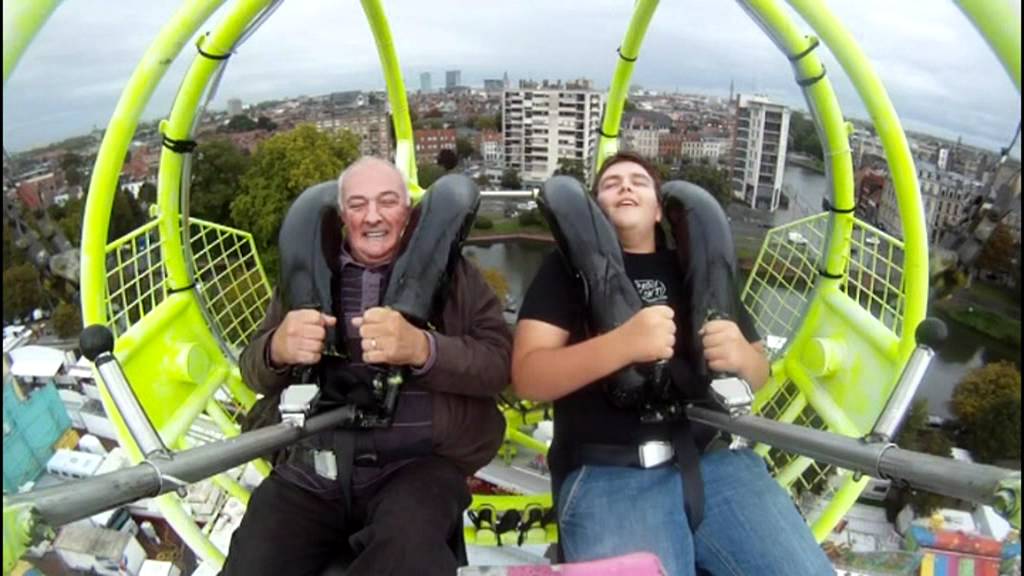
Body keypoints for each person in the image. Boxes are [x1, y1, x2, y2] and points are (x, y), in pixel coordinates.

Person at [512, 152, 833, 575]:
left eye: (639, 181)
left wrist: (741, 354)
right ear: (593, 208)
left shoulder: (696, 271)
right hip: (612, 476)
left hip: (717, 468)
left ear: (660, 208)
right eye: (611, 183)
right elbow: (528, 377)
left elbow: (758, 374)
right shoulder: (565, 272)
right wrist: (622, 345)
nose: (625, 186)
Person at [222, 157, 510, 576]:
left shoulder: (456, 280)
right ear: (342, 217)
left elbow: (499, 365)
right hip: (314, 467)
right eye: (358, 205)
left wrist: (424, 349)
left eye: (387, 202)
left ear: (408, 213)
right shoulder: (307, 281)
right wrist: (277, 348)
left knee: (410, 553)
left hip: (417, 467)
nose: (372, 216)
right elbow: (253, 371)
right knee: (255, 558)